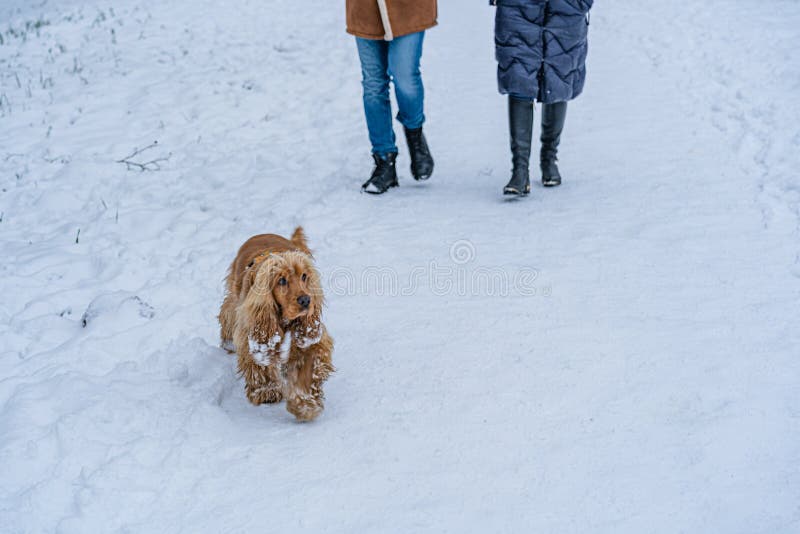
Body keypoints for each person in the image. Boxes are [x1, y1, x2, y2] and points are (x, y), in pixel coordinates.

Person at [491, 0, 593, 196]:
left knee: (558, 77)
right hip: (517, 8)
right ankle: (520, 171)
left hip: (565, 9)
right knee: (518, 77)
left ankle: (549, 157)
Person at [346, 0, 438, 194]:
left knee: (405, 76)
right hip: (364, 9)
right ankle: (384, 160)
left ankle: (414, 132)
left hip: (409, 8)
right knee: (373, 85)